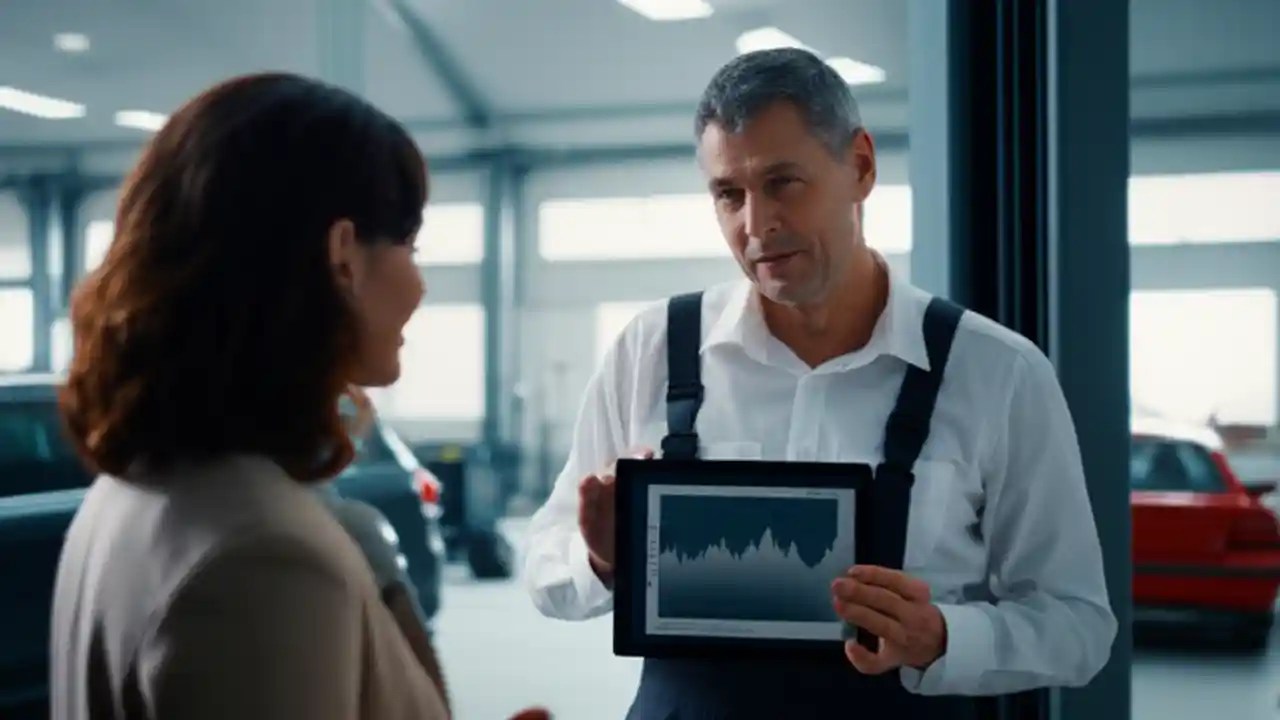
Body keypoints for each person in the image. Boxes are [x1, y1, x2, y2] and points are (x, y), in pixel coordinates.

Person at [523, 48, 1117, 719]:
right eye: (729, 194)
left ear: (860, 166)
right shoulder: (651, 351)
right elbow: (545, 570)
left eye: (783, 182)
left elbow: (1078, 627)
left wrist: (943, 637)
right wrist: (603, 559)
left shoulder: (997, 372)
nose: (756, 225)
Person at [49, 73, 547, 720]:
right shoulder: (265, 555)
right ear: (344, 258)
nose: (420, 285)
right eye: (408, 244)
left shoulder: (137, 491)